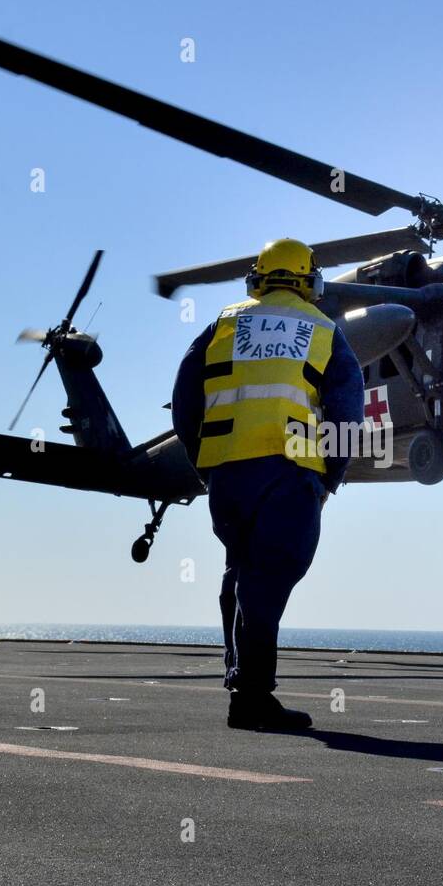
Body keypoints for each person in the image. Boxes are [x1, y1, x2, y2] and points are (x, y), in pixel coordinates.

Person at [172, 239, 364, 731]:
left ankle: (244, 687)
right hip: (289, 472)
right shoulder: (324, 331)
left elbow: (184, 398)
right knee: (270, 576)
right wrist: (331, 478)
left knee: (242, 569)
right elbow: (345, 409)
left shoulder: (224, 323)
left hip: (229, 475)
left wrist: (205, 464)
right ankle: (253, 698)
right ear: (310, 282)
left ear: (257, 278)